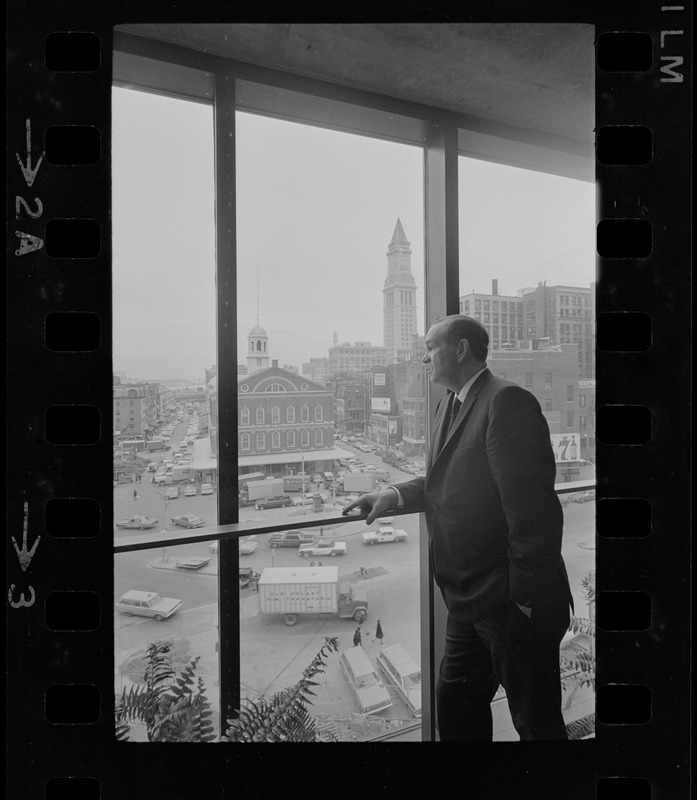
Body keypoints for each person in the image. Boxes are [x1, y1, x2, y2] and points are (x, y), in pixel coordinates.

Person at [343, 315, 573, 741]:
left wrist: (523, 601)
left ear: (461, 348)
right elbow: (445, 480)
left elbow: (534, 515)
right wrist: (392, 494)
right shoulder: (447, 404)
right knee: (455, 704)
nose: (424, 357)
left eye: (431, 347)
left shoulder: (507, 402)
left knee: (536, 721)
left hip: (510, 605)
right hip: (468, 600)